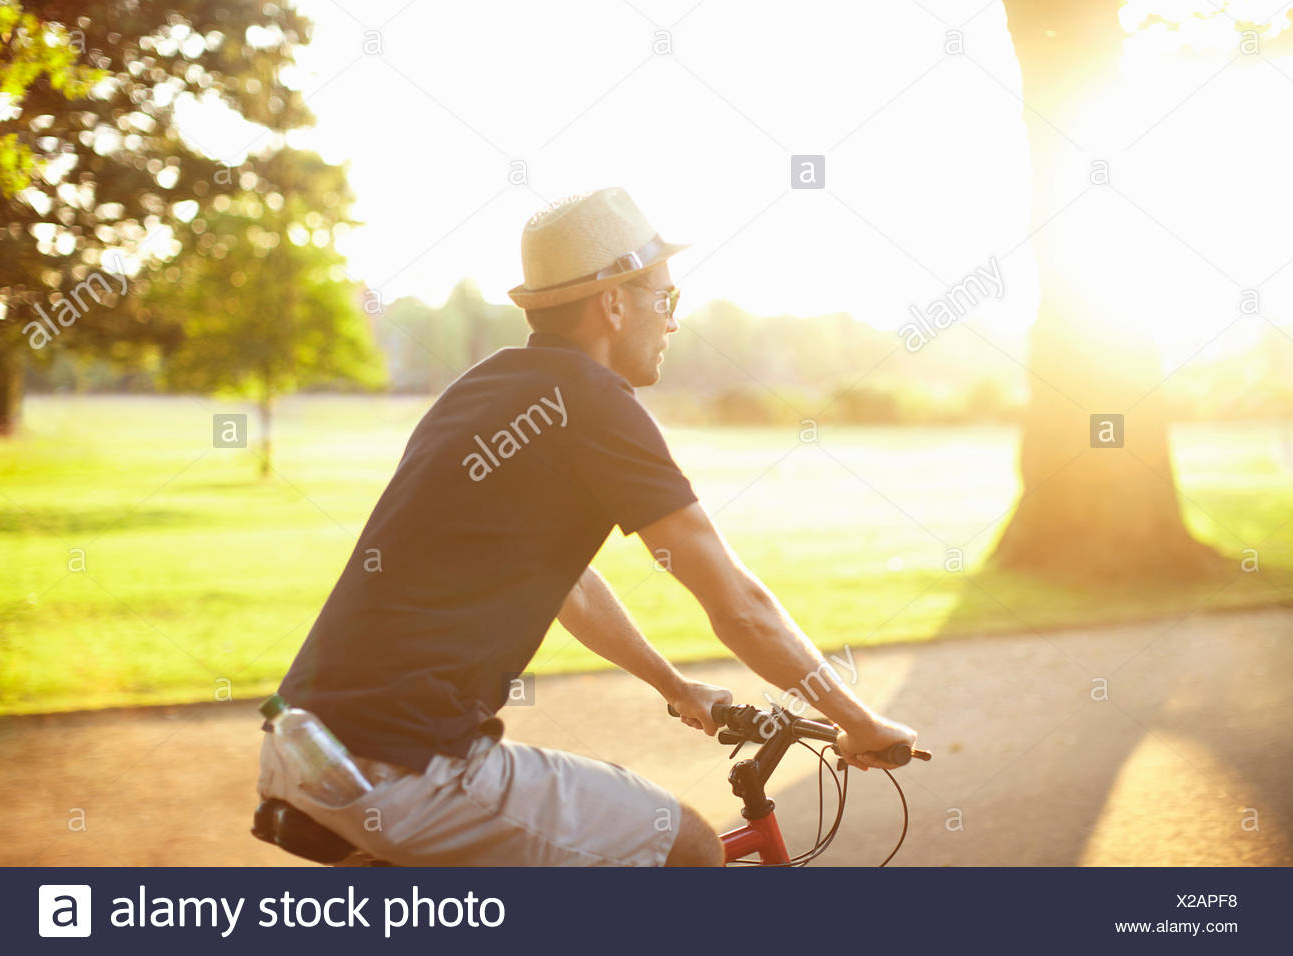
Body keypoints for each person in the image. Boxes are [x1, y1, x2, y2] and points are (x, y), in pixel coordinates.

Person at [256, 186, 918, 867]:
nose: (672, 321)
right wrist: (859, 722)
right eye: (667, 299)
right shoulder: (594, 402)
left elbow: (568, 583)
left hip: (307, 744)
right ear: (614, 301)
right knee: (687, 846)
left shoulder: (487, 388)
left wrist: (675, 686)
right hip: (404, 765)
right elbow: (740, 606)